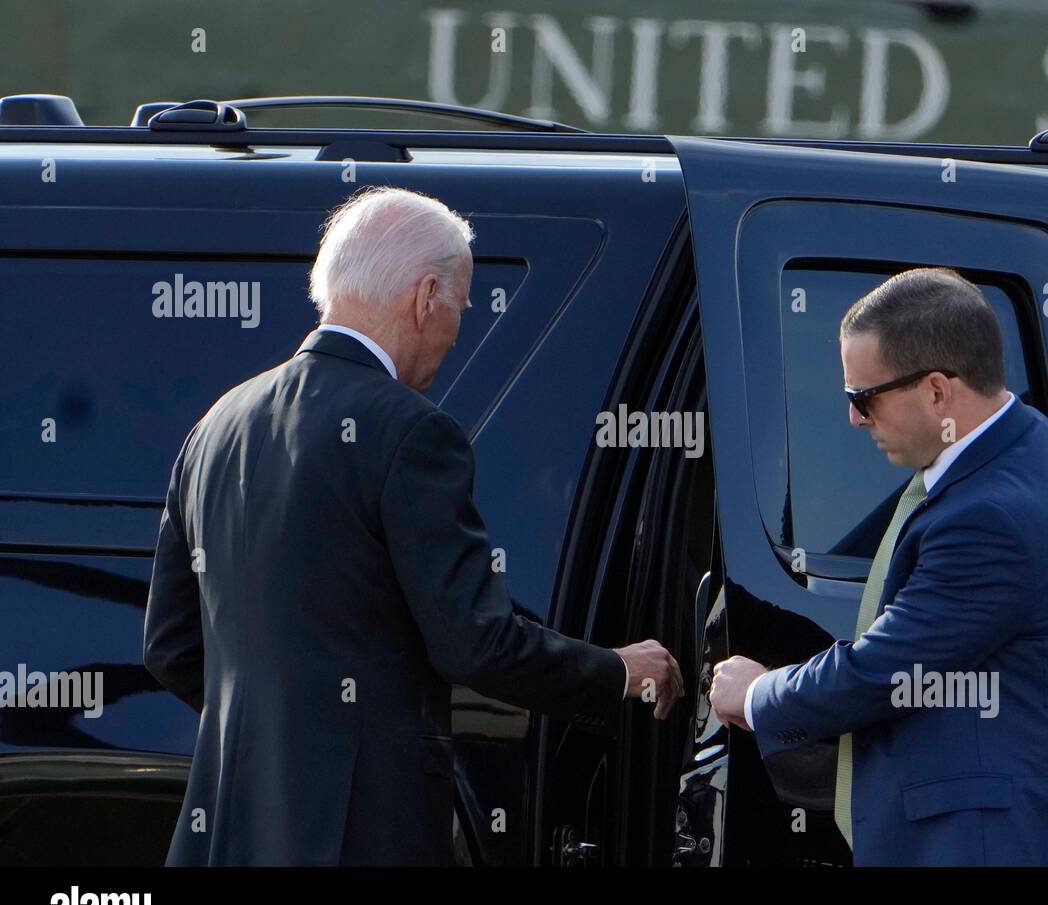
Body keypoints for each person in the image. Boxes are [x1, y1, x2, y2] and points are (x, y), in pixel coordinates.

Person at [144, 186, 682, 865]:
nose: (457, 332)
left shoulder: (216, 425)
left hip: (226, 830)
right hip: (358, 833)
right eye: (460, 306)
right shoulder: (413, 432)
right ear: (427, 296)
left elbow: (169, 646)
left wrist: (282, 738)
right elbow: (474, 644)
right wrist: (616, 670)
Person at [709, 267, 1048, 866]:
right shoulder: (1023, 438)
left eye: (864, 398)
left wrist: (757, 695)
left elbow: (885, 670)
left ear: (936, 390)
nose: (853, 418)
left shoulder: (991, 518)